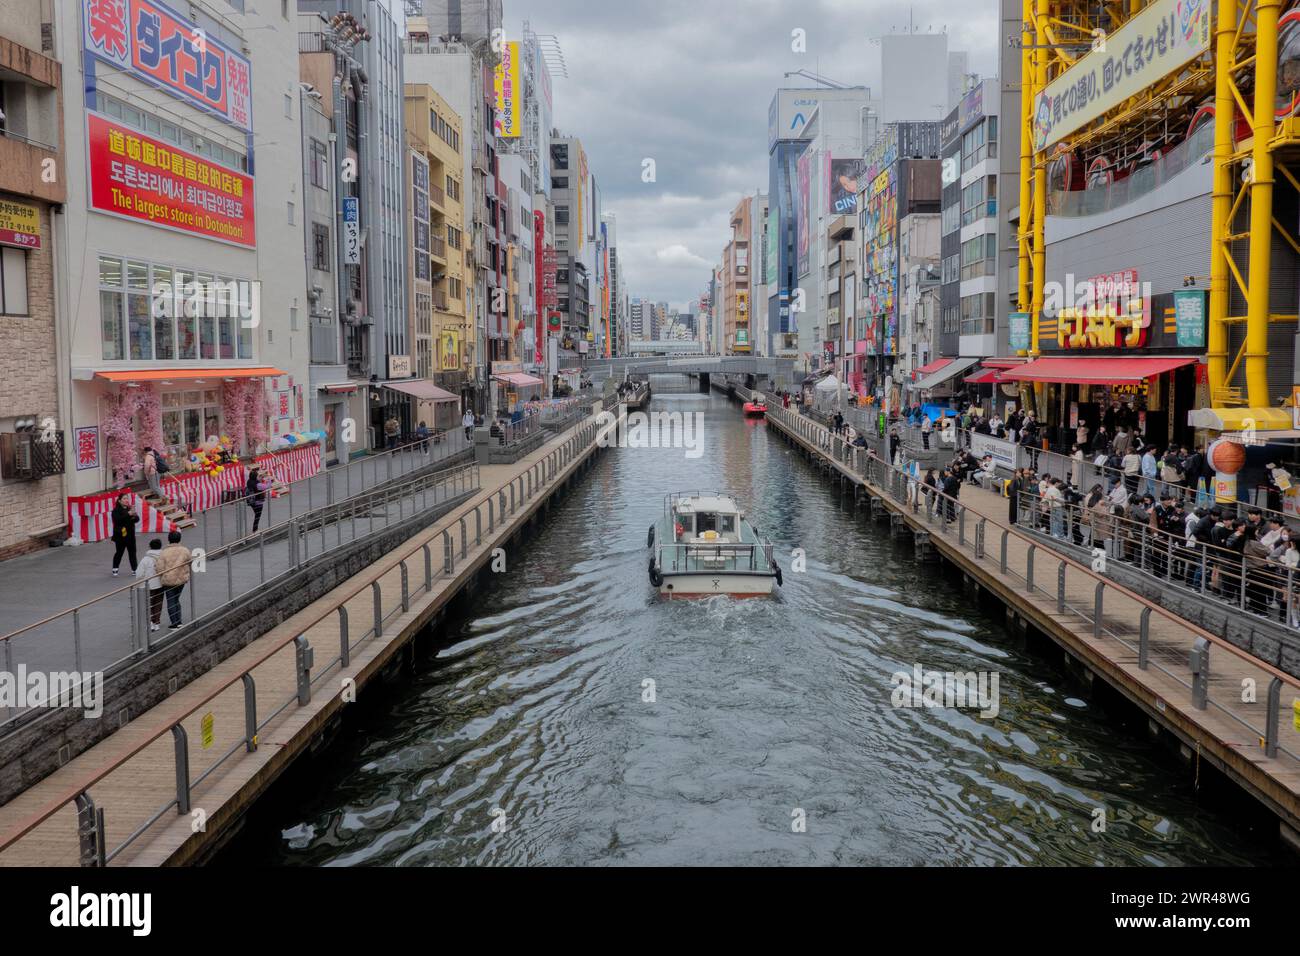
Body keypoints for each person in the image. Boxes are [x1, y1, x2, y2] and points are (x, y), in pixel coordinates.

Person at [156, 531, 192, 629]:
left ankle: (174, 623)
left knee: (171, 600)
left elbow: (159, 568)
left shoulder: (164, 552)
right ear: (179, 539)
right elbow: (190, 561)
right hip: (181, 579)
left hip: (168, 580)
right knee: (176, 599)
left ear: (169, 539)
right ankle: (179, 621)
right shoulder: (185, 550)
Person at [135, 538, 165, 632]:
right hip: (161, 584)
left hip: (149, 586)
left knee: (149, 604)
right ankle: (157, 622)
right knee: (158, 603)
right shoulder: (163, 557)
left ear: (150, 547)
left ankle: (151, 623)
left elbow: (139, 574)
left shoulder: (145, 559)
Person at [110, 491, 139, 575]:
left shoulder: (129, 508)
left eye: (127, 498)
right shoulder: (115, 510)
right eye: (124, 498)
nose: (126, 500)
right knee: (119, 552)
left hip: (130, 535)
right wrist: (128, 514)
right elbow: (118, 520)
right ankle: (115, 567)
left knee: (132, 552)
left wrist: (134, 515)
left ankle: (134, 569)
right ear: (119, 500)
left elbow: (137, 519)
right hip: (121, 535)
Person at [245, 467, 268, 533]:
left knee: (257, 514)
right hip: (258, 500)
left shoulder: (249, 481)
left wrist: (260, 478)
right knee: (258, 515)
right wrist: (268, 480)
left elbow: (257, 482)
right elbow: (266, 486)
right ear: (255, 477)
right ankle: (255, 530)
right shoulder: (256, 484)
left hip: (251, 500)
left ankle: (255, 529)